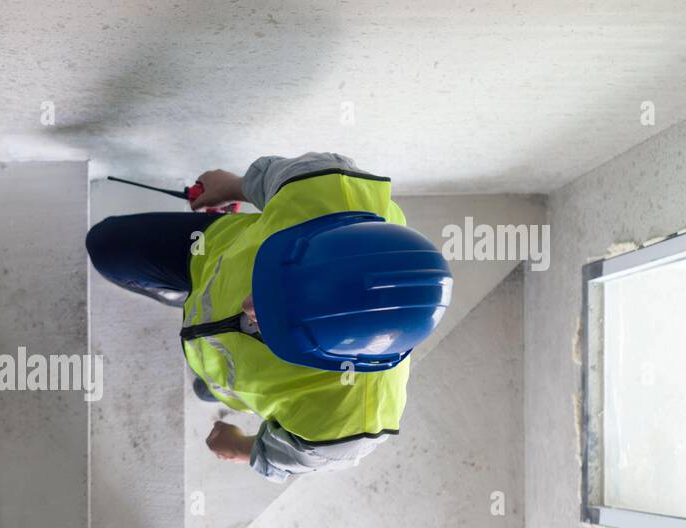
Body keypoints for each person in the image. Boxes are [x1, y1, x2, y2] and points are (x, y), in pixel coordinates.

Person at [86, 152, 452, 482]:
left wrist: (242, 448)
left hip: (226, 376)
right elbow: (270, 179)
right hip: (210, 254)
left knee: (205, 388)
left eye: (276, 319)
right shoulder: (330, 187)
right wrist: (230, 185)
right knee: (104, 246)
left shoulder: (344, 424)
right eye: (269, 284)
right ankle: (185, 300)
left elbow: (288, 456)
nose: (248, 308)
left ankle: (204, 366)